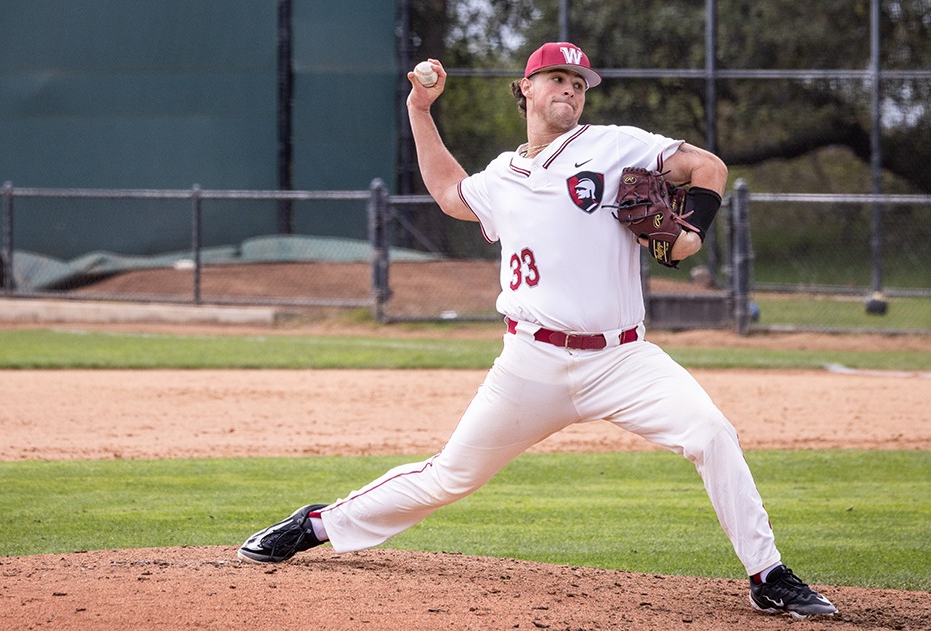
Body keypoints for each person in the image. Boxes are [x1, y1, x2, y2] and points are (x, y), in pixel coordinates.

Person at [237, 41, 838, 620]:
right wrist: (420, 109)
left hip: (623, 359)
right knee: (451, 476)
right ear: (526, 88)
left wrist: (692, 232)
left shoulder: (616, 145)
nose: (570, 90)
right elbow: (448, 192)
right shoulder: (502, 175)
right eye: (557, 79)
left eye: (579, 84)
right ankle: (318, 524)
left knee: (711, 433)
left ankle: (767, 575)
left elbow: (707, 167)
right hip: (530, 363)